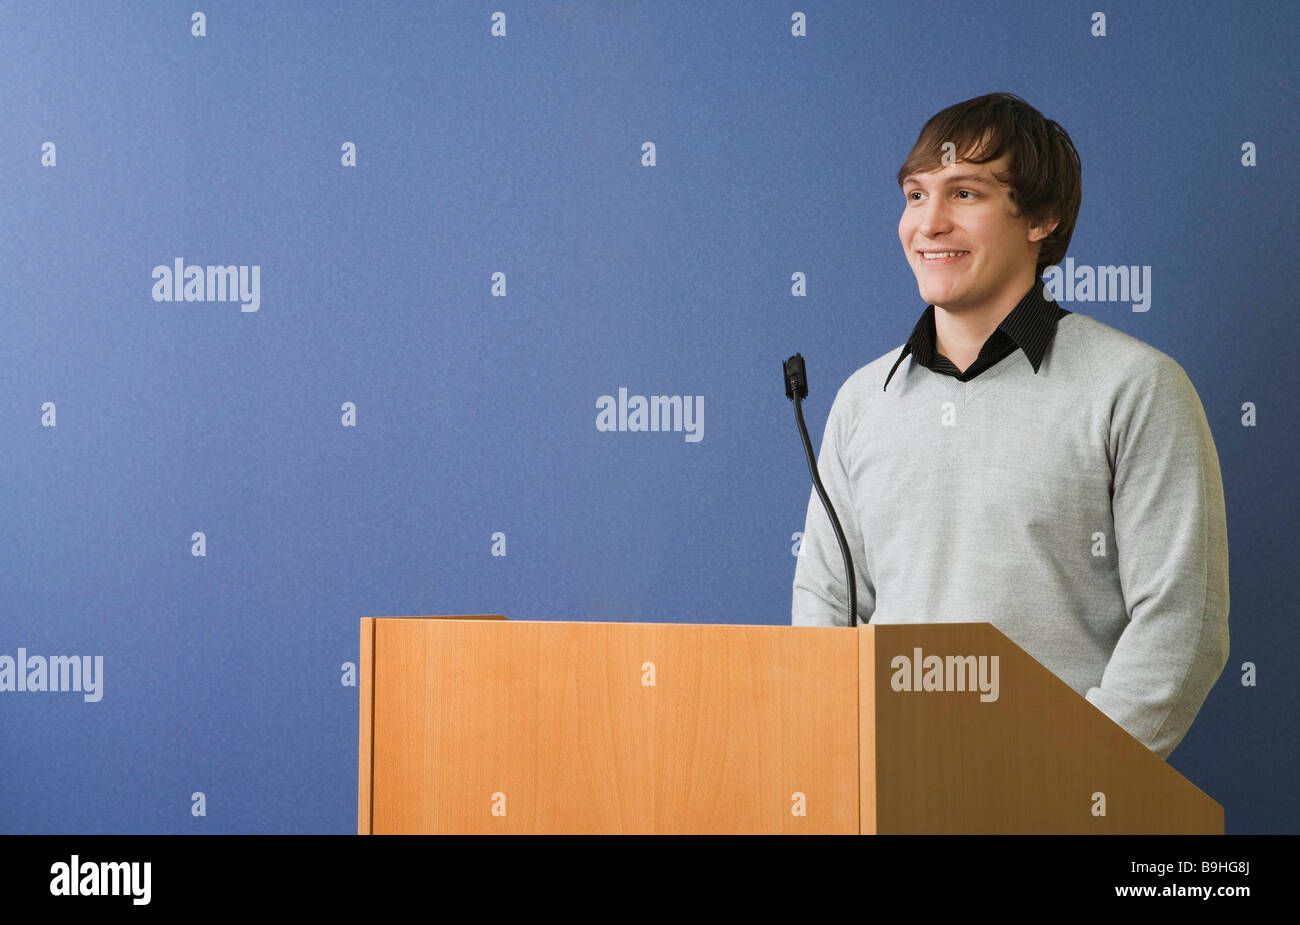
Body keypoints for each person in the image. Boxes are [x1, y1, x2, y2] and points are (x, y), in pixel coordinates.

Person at [791, 92, 1229, 760]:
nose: (928, 223)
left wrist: (1066, 786)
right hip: (887, 797)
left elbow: (1181, 628)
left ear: (1042, 218)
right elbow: (826, 606)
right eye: (915, 195)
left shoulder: (1136, 388)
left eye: (964, 194)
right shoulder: (861, 401)